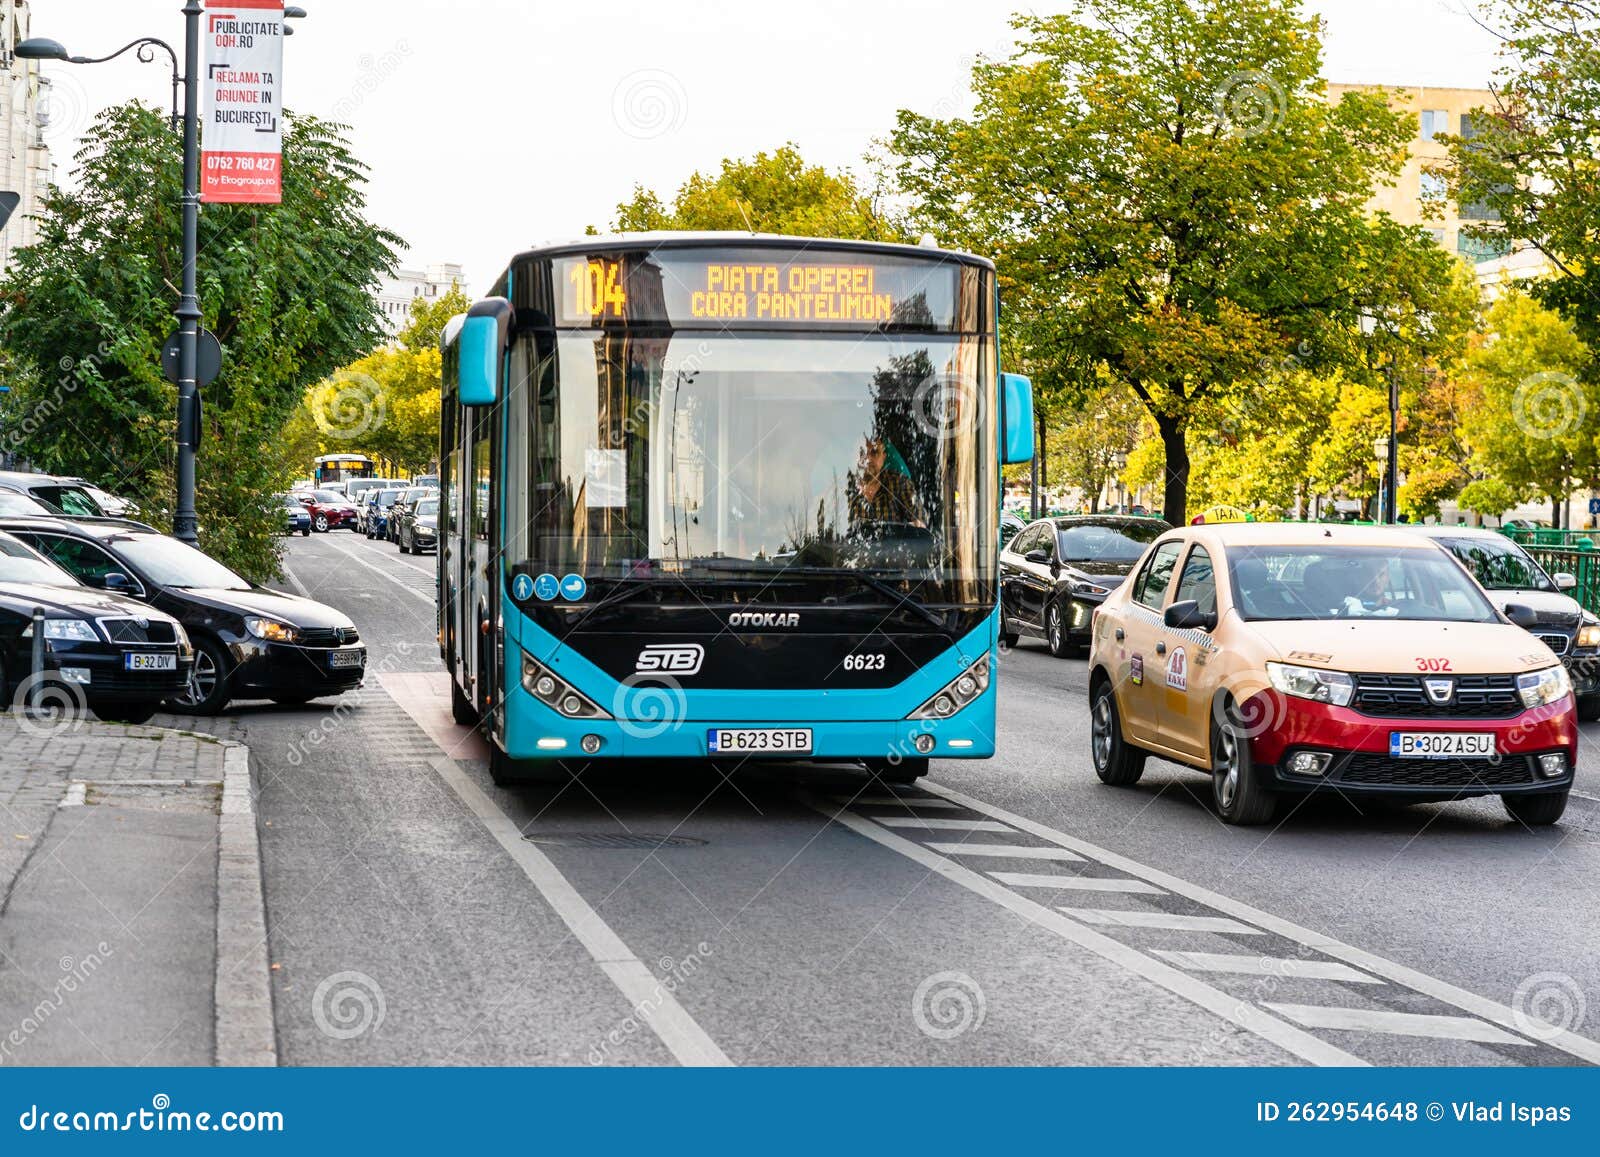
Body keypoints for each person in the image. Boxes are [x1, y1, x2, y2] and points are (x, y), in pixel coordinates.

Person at [847, 436, 925, 530]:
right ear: (854, 456)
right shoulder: (845, 490)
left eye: (874, 452)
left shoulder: (900, 483)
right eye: (862, 452)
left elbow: (920, 525)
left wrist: (918, 524)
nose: (868, 459)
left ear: (883, 457)